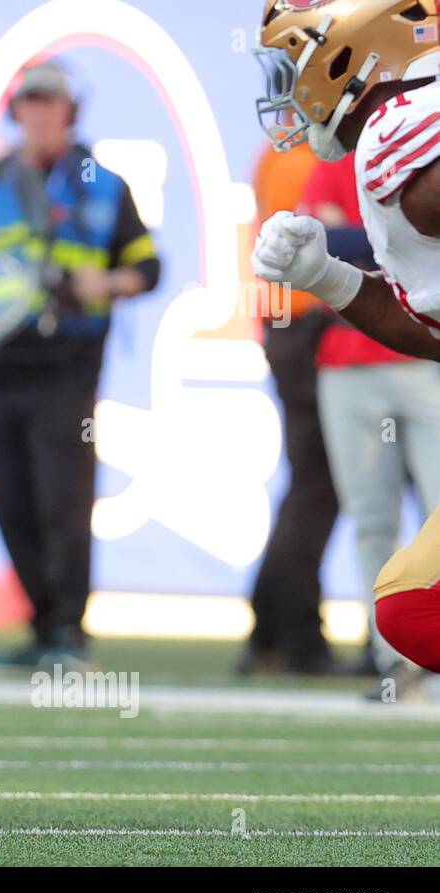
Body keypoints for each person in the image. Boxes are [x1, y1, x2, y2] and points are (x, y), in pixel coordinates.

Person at [252, 0, 440, 675]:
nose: (288, 88)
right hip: (353, 369)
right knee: (412, 607)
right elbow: (433, 331)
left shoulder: (402, 130)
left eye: (294, 61)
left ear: (342, 48)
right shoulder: (391, 138)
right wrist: (328, 278)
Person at [0, 62, 161, 669]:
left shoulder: (103, 183)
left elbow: (149, 268)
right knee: (10, 498)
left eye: (51, 103)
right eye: (30, 103)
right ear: (17, 112)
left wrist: (103, 280)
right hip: (0, 364)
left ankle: (69, 634)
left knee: (62, 501)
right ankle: (41, 625)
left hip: (68, 365)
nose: (41, 113)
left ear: (69, 111)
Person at [301, 154, 440, 695]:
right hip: (348, 362)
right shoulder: (345, 157)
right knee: (371, 518)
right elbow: (322, 239)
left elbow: (360, 240)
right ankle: (395, 662)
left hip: (425, 359)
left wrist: (367, 239)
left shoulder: (417, 144)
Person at [238, 142, 343, 676]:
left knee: (312, 487)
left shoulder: (277, 155)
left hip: (288, 324)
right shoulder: (314, 159)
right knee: (317, 487)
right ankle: (289, 633)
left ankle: (275, 632)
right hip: (311, 327)